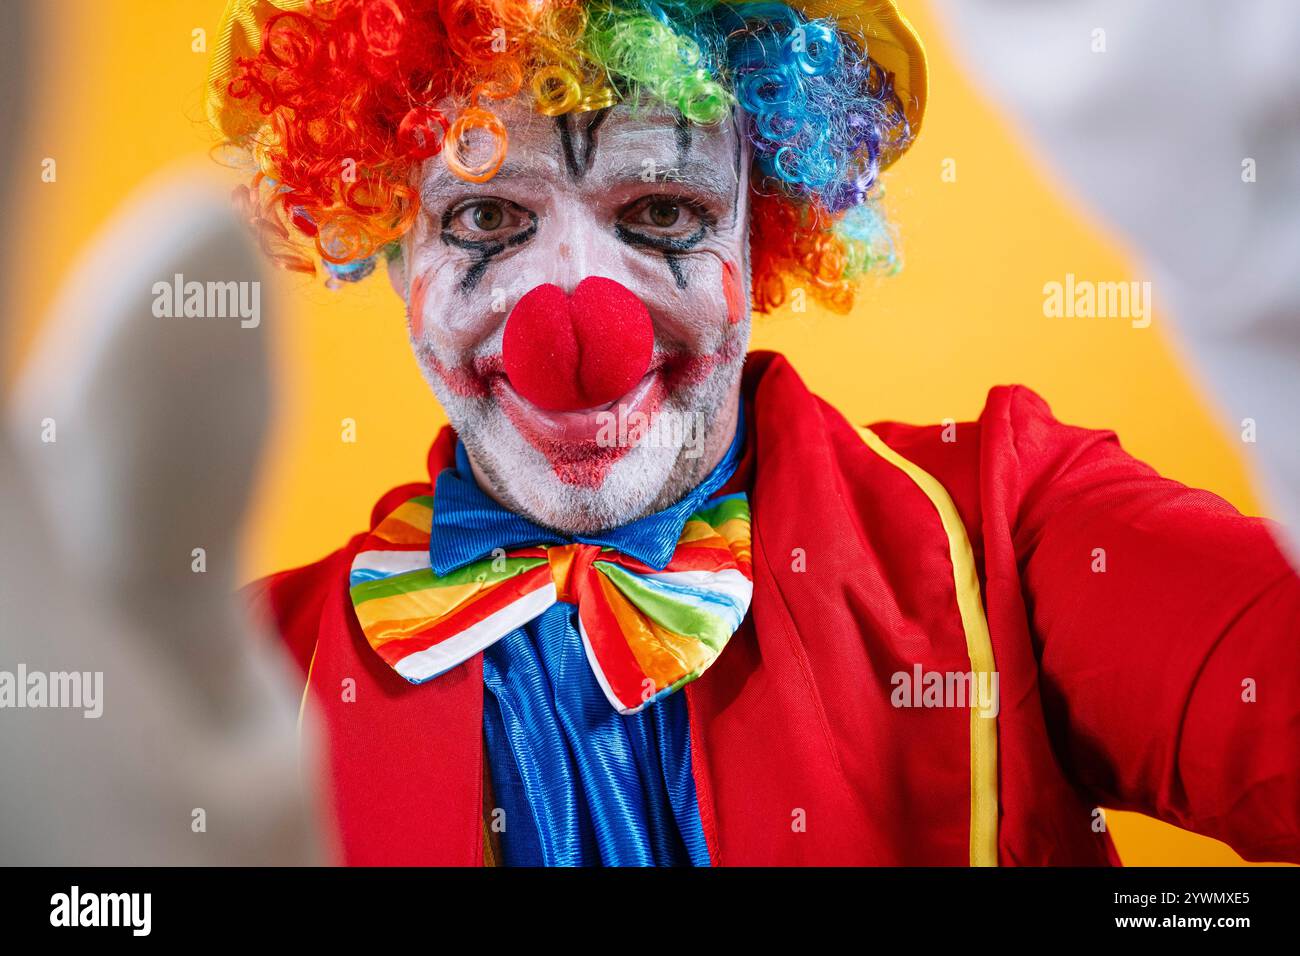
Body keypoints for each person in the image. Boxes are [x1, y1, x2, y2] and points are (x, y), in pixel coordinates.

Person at [208, 0, 1300, 865]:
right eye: (488, 217)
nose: (575, 310)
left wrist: (1265, 273)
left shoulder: (1007, 528)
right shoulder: (232, 677)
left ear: (761, 220)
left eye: (663, 211)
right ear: (397, 252)